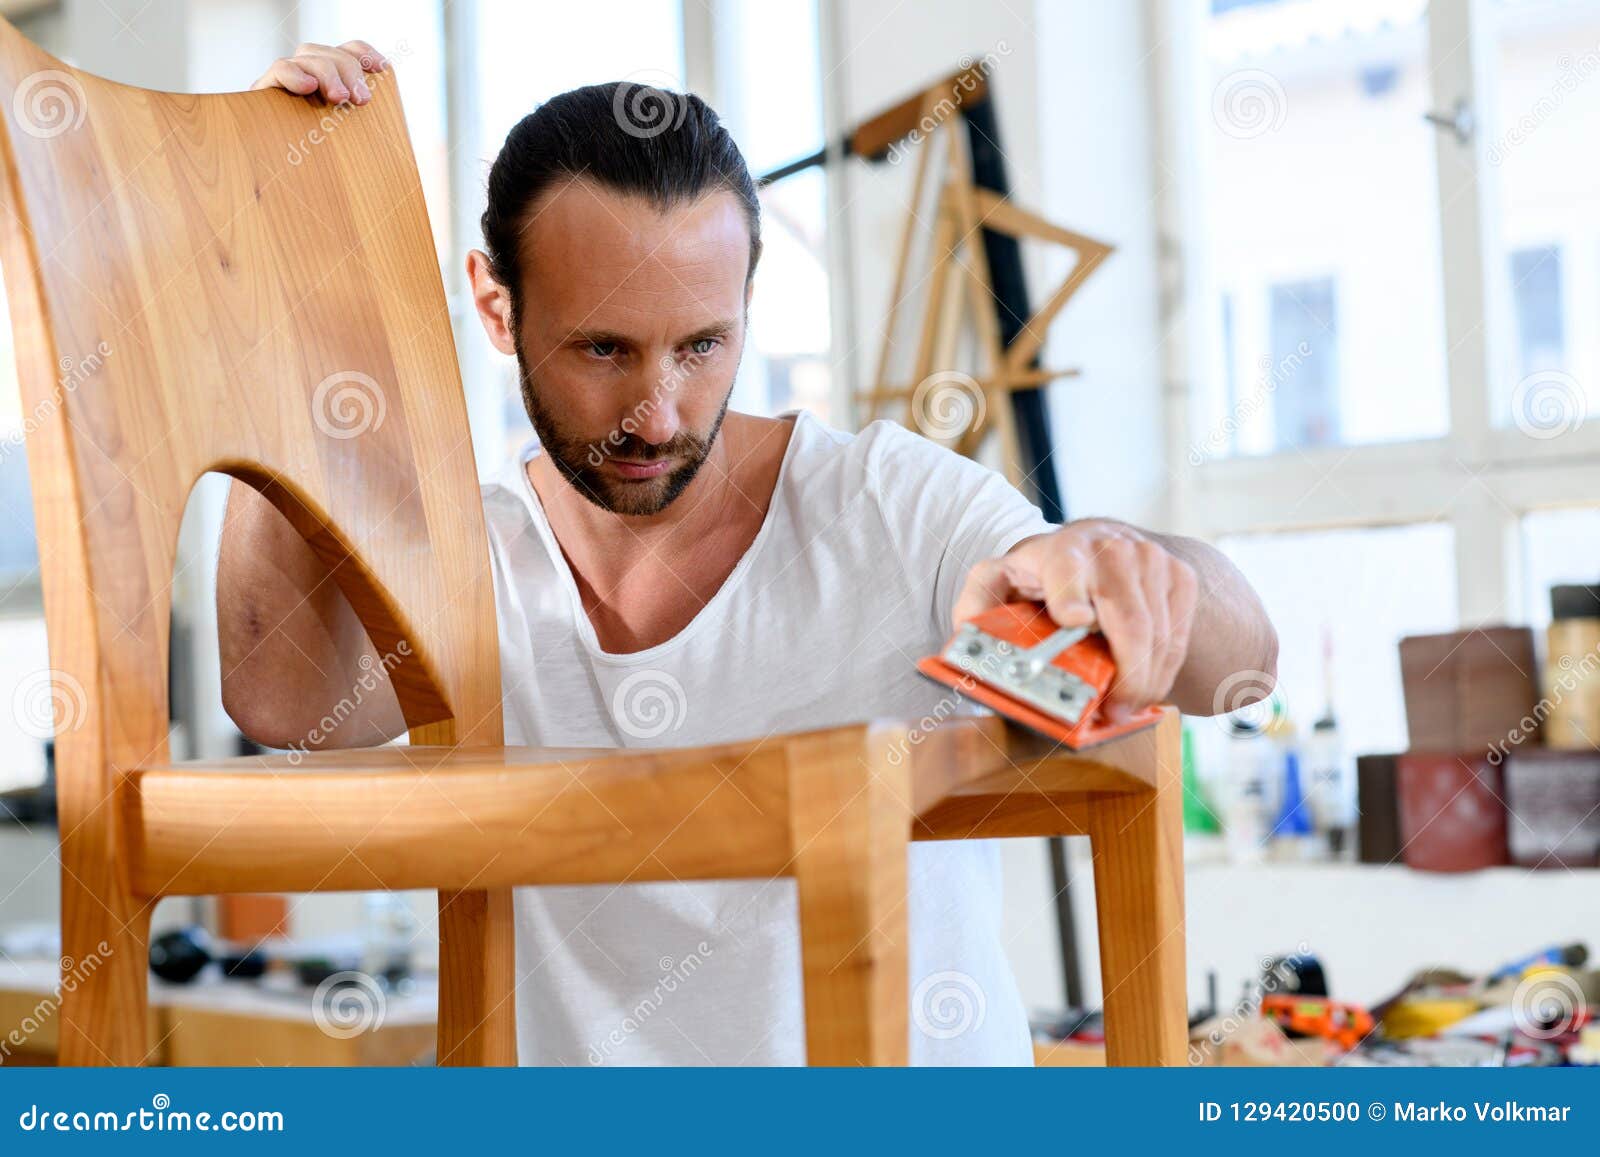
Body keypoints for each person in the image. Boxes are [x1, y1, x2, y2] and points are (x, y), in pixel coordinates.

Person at [221, 41, 1278, 1066]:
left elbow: (1240, 663)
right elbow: (279, 696)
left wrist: (1118, 560)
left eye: (700, 344)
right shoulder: (469, 552)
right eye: (603, 347)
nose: (658, 412)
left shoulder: (886, 500)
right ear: (498, 308)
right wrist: (297, 289)